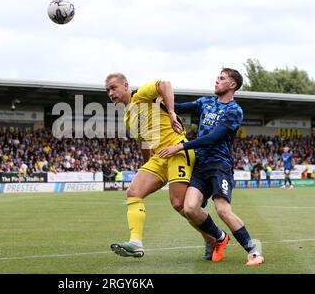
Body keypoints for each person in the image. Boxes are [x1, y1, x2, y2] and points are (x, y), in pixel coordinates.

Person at [159, 68, 265, 266]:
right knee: (189, 208)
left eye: (222, 78)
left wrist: (181, 146)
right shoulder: (205, 102)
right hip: (200, 166)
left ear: (232, 85)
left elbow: (213, 138)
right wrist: (158, 102)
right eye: (217, 77)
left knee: (223, 210)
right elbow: (179, 107)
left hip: (219, 166)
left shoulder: (234, 111)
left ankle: (254, 251)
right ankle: (219, 237)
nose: (217, 81)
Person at [105, 73, 211, 258]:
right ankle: (135, 243)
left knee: (179, 204)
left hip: (177, 150)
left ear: (125, 85)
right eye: (107, 90)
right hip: (158, 158)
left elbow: (164, 84)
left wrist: (171, 112)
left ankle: (211, 238)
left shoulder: (141, 95)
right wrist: (147, 167)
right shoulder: (128, 117)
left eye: (113, 88)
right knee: (133, 192)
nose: (110, 93)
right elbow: (144, 143)